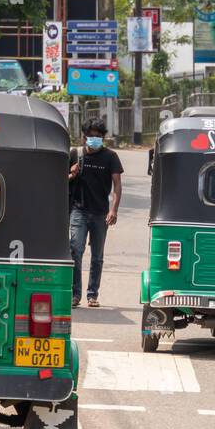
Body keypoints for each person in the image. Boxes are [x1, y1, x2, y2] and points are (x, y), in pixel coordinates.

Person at [68, 119, 123, 308]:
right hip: (79, 211)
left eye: (99, 137)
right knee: (75, 251)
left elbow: (117, 184)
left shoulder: (111, 157)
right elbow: (59, 179)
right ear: (84, 137)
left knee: (97, 256)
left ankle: (92, 294)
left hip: (100, 213)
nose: (95, 139)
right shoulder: (75, 154)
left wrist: (113, 209)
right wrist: (71, 174)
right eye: (91, 136)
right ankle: (75, 295)